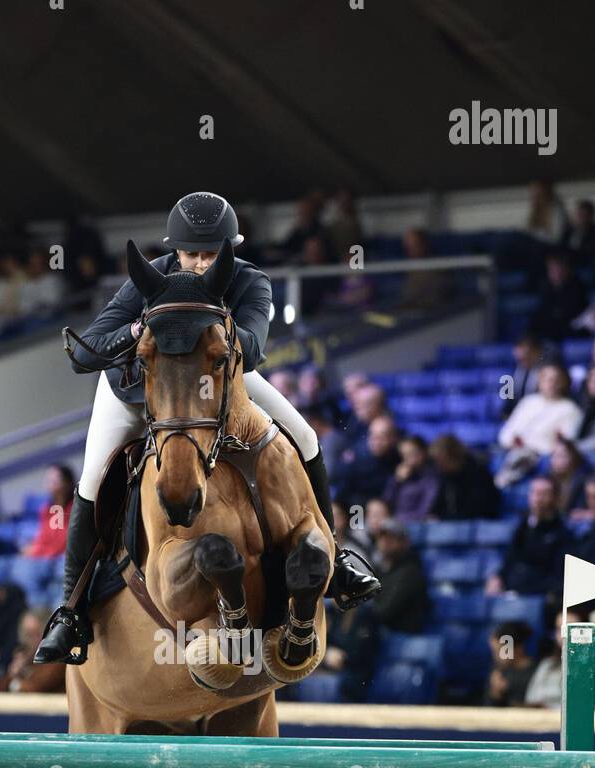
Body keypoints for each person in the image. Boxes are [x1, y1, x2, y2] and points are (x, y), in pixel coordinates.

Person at [34, 192, 379, 663]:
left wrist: (207, 324)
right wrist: (138, 332)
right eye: (190, 254)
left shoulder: (250, 281)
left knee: (305, 435)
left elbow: (253, 350)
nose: (198, 265)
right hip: (136, 390)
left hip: (220, 384)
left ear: (228, 250)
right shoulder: (150, 278)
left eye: (210, 255)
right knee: (93, 477)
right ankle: (70, 610)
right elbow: (84, 352)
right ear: (174, 250)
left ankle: (335, 559)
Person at [486, 477, 570, 603]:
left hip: (537, 597)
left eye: (544, 494)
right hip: (511, 592)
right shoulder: (521, 527)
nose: (538, 498)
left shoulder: (562, 533)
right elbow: (510, 559)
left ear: (555, 498)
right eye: (534, 493)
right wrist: (498, 577)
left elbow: (558, 577)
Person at [497, 361, 582, 461]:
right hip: (514, 453)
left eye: (556, 379)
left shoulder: (570, 409)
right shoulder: (527, 401)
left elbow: (566, 443)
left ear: (563, 382)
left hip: (543, 458)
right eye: (546, 378)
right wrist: (512, 441)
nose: (551, 383)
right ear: (539, 380)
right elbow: (505, 434)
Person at [430, 433, 500, 520]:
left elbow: (480, 508)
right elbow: (438, 505)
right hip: (451, 524)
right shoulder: (444, 476)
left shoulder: (478, 474)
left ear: (453, 457)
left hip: (477, 524)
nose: (438, 465)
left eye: (441, 461)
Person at [382, 434, 439, 521]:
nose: (409, 458)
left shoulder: (431, 478)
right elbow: (386, 502)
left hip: (417, 524)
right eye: (404, 455)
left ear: (423, 452)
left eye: (412, 453)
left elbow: (426, 508)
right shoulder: (398, 477)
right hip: (395, 524)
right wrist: (396, 481)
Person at [22, 464, 75, 558]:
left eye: (56, 480)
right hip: (44, 556)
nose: (52, 484)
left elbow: (63, 544)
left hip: (58, 558)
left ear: (68, 483)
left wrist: (36, 552)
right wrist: (33, 549)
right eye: (49, 480)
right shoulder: (46, 510)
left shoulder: (75, 508)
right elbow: (42, 538)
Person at [484, 622, 535, 708]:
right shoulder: (498, 672)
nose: (496, 656)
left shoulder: (538, 671)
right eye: (494, 651)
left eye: (500, 651)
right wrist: (495, 693)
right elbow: (487, 708)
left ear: (518, 648)